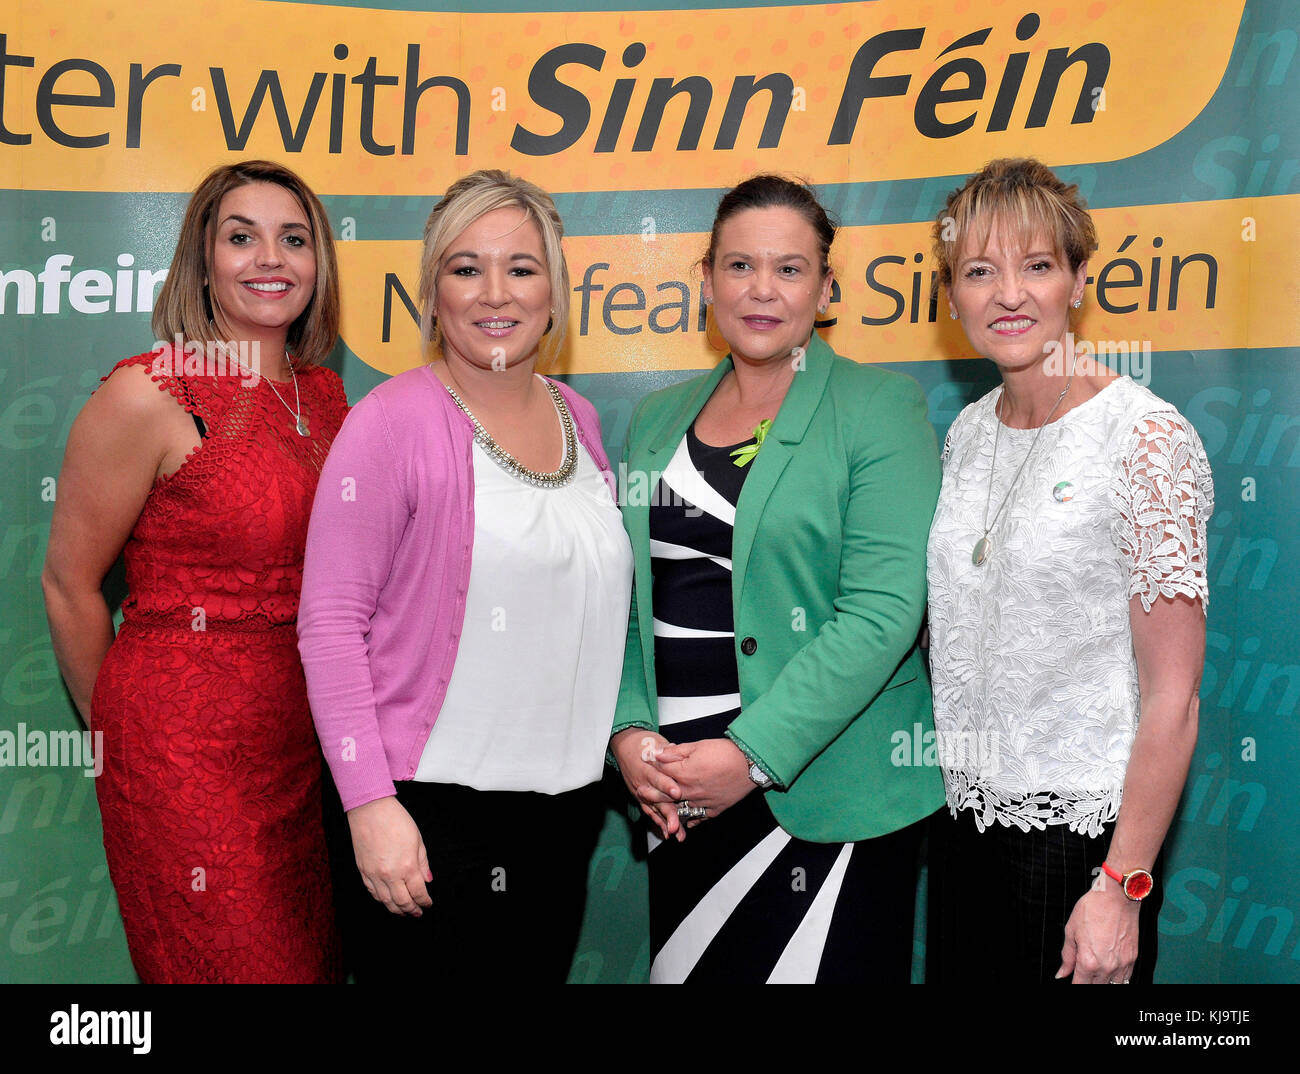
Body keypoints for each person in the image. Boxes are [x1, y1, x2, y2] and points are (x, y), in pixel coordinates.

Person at [297, 170, 632, 983]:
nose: (495, 293)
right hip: (428, 816)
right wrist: (371, 808)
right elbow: (329, 623)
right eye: (465, 267)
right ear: (431, 293)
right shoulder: (393, 421)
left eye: (520, 268)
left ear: (554, 291)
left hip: (563, 815)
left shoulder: (576, 417)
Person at [608, 175, 944, 984]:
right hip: (680, 800)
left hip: (826, 802)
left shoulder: (880, 409)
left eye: (790, 269)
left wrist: (751, 755)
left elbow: (883, 613)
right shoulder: (655, 421)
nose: (762, 290)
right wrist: (625, 731)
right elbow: (626, 603)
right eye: (740, 266)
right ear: (706, 280)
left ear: (827, 287)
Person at [42, 160, 347, 983]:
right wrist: (125, 739)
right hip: (181, 761)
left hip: (302, 752)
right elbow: (69, 584)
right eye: (240, 237)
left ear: (319, 263)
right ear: (201, 260)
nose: (268, 259)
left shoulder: (325, 399)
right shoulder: (148, 395)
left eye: (293, 239)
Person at [924, 157, 1213, 985]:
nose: (1009, 294)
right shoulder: (967, 435)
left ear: (1079, 280)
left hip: (1084, 846)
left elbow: (1174, 697)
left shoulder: (1144, 439)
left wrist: (1121, 890)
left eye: (1037, 265)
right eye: (980, 271)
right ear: (952, 296)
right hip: (962, 827)